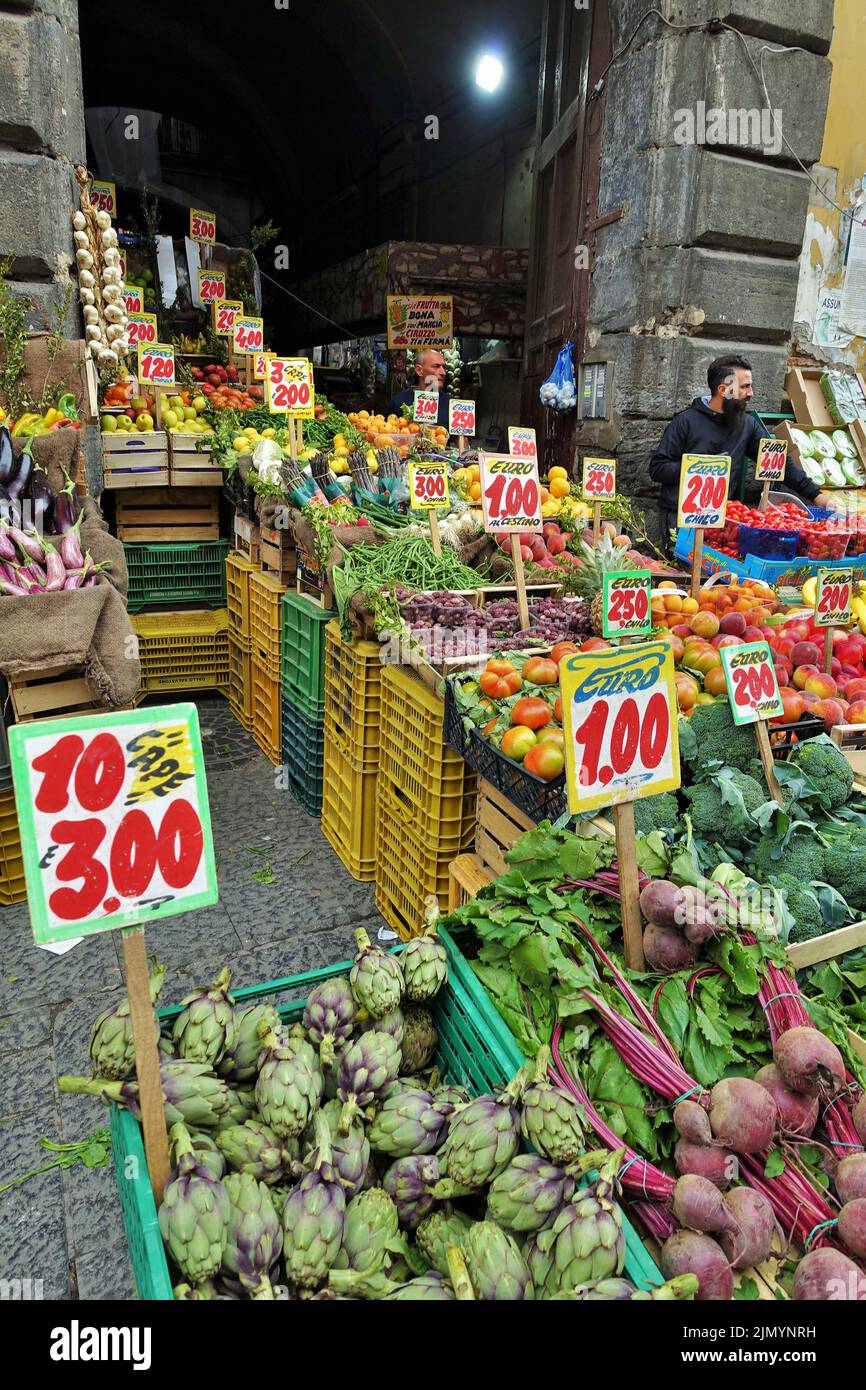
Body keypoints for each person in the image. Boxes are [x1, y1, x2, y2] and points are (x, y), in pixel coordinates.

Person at [649, 354, 841, 552]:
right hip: (679, 519)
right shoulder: (685, 421)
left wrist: (816, 495)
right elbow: (657, 468)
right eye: (745, 387)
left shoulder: (747, 424)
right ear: (723, 390)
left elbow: (777, 462)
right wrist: (698, 469)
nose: (751, 393)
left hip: (721, 522)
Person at [386, 348, 452, 428]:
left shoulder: (451, 404)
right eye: (436, 366)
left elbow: (460, 438)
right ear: (419, 370)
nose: (443, 372)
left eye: (444, 367)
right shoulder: (397, 403)